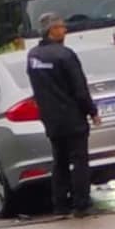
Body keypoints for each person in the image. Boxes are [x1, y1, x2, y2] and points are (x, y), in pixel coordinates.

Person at [27, 14, 100, 217]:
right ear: (52, 31)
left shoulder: (33, 57)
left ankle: (60, 205)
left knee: (59, 160)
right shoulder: (65, 55)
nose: (65, 30)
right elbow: (79, 88)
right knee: (79, 160)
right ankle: (81, 203)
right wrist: (91, 111)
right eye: (61, 27)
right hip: (72, 116)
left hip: (50, 118)